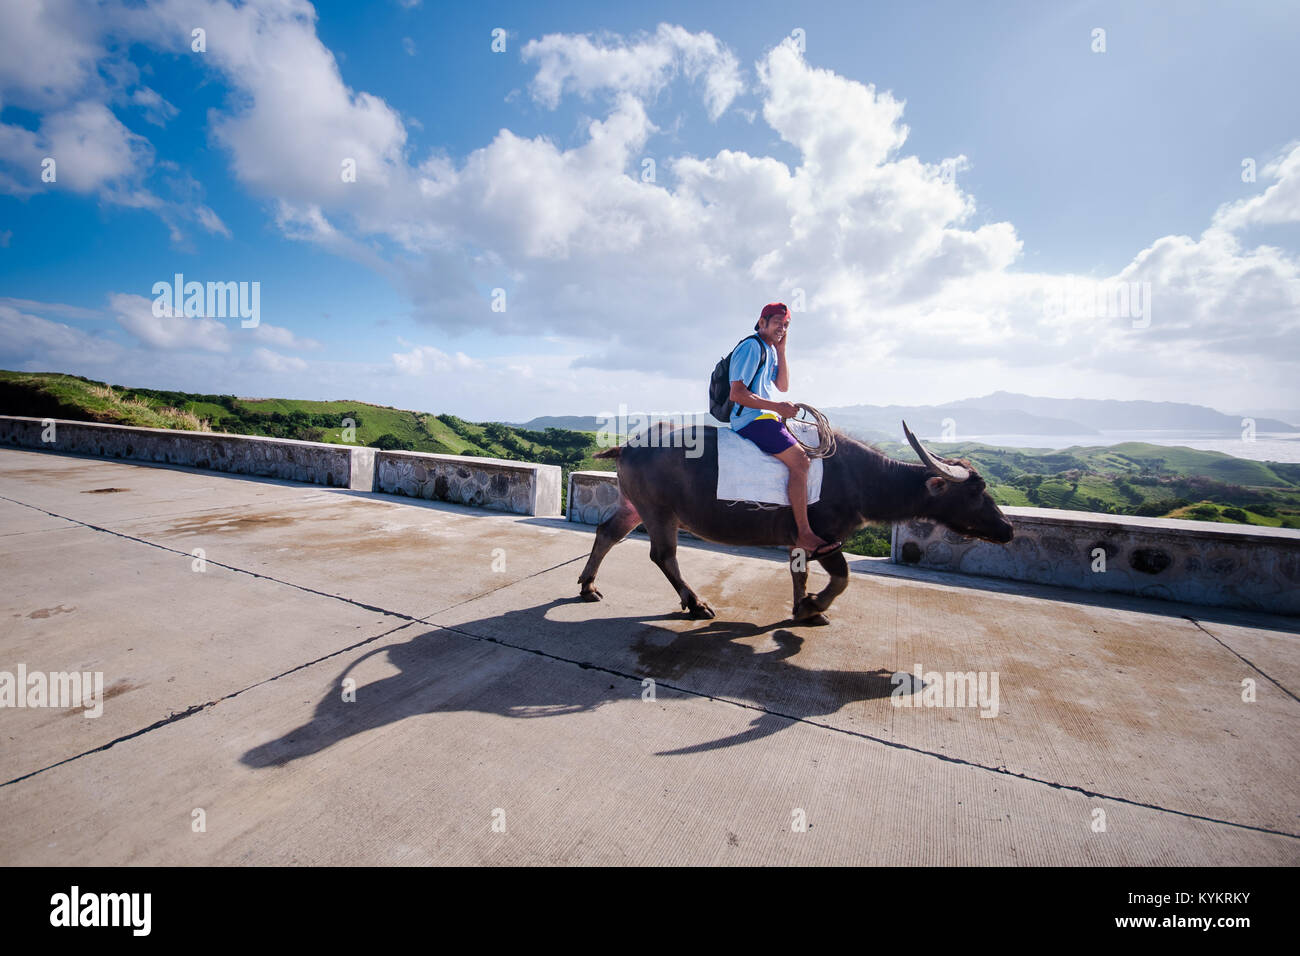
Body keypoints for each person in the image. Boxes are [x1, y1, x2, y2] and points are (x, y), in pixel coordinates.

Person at [728, 302, 842, 559]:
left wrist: (781, 349)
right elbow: (737, 393)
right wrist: (777, 407)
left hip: (766, 416)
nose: (782, 328)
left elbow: (783, 385)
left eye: (787, 324)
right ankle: (804, 533)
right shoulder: (751, 347)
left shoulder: (768, 349)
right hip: (751, 419)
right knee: (800, 461)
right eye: (778, 322)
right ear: (762, 322)